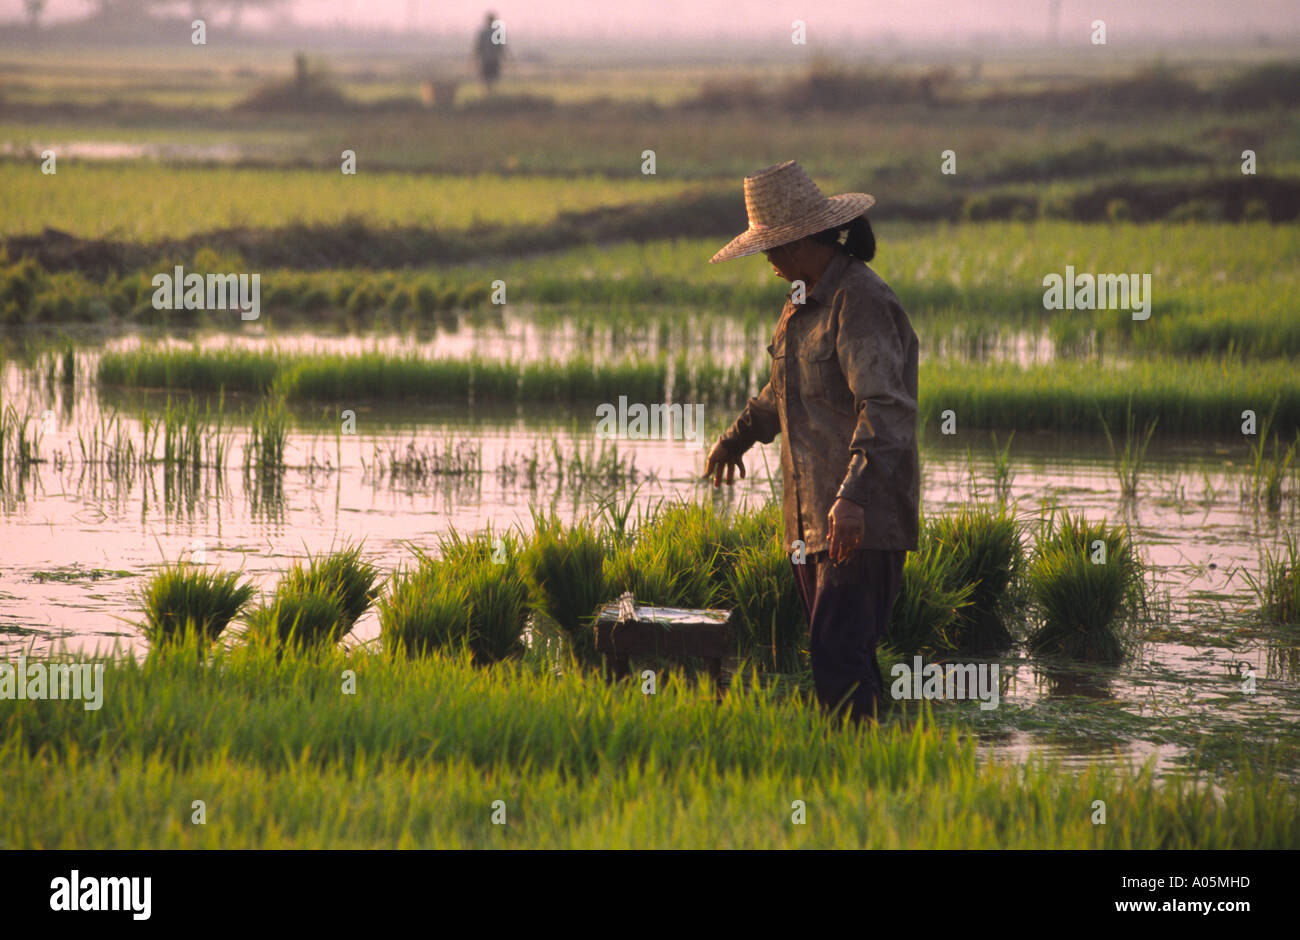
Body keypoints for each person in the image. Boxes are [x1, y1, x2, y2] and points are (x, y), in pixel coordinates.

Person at [703, 160, 920, 725]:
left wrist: (853, 497)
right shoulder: (800, 304)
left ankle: (860, 777)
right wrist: (736, 440)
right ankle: (873, 771)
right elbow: (781, 392)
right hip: (812, 520)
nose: (769, 264)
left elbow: (886, 407)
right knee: (840, 658)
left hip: (857, 519)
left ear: (801, 241)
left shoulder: (860, 302)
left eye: (771, 249)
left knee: (838, 656)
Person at [473, 11, 506, 91]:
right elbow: (501, 48)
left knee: (486, 80)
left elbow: (478, 48)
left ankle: (488, 94)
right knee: (493, 79)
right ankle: (491, 95)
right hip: (493, 60)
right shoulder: (497, 33)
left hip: (486, 60)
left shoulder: (483, 33)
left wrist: (474, 58)